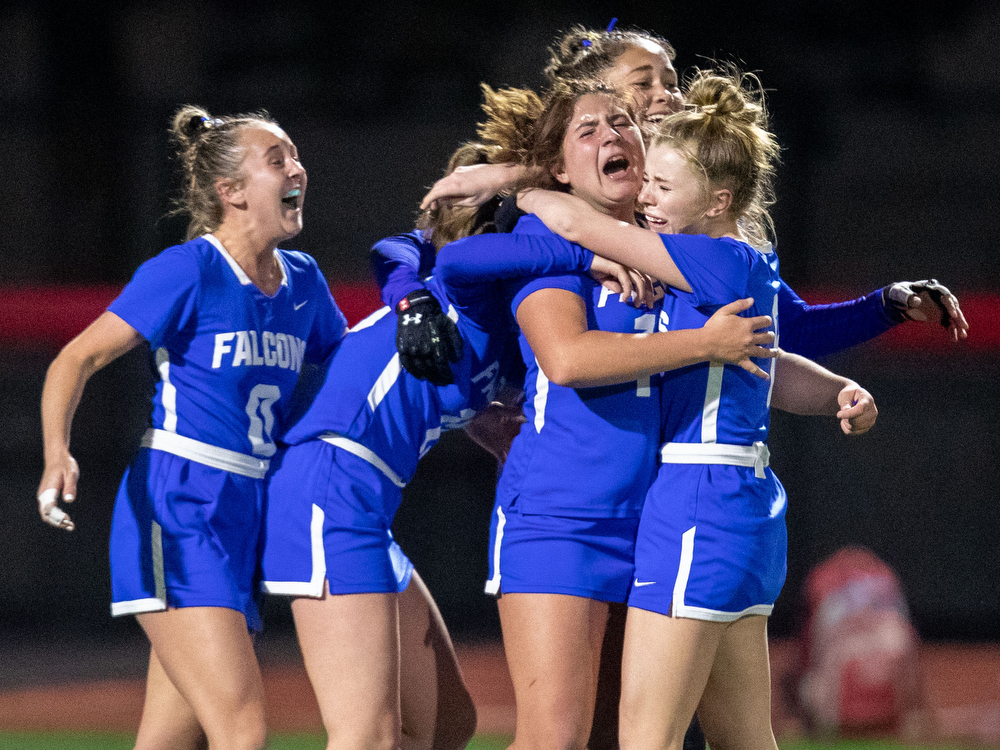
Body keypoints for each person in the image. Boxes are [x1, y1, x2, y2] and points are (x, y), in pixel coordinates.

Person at [259, 130, 777, 750]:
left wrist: (488, 421)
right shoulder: (457, 282)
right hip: (327, 484)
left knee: (448, 724)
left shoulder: (503, 328)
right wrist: (576, 249)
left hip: (363, 502)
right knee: (364, 733)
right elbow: (433, 254)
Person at [510, 67, 879, 750]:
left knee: (646, 740)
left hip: (696, 501)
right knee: (745, 738)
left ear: (719, 201)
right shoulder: (739, 265)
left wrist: (525, 186)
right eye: (647, 182)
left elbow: (570, 220)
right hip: (746, 505)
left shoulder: (707, 260)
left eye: (663, 186)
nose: (646, 197)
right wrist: (838, 392)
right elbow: (768, 365)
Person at [36, 106, 345, 750]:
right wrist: (57, 451)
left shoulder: (304, 282)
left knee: (171, 741)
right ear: (231, 191)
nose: (297, 169)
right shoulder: (189, 270)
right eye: (277, 160)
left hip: (247, 510)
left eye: (295, 155)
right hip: (180, 503)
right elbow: (76, 358)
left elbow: (352, 370)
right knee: (242, 729)